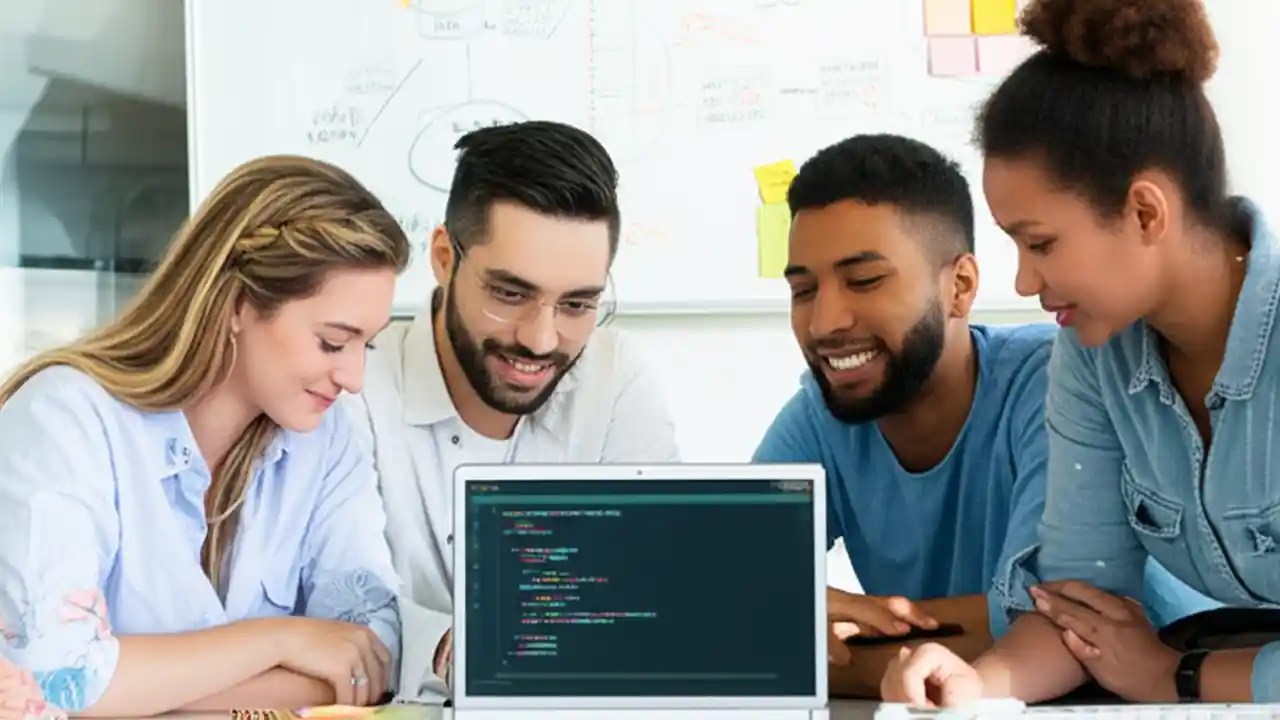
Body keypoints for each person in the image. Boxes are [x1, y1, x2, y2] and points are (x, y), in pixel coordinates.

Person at [882, 0, 1280, 706]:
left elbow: (1149, 666)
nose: (1024, 281)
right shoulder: (1094, 353)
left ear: (1145, 212)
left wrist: (1175, 675)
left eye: (1041, 243)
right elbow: (1077, 605)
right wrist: (976, 686)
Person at [755, 133, 1220, 698]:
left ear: (961, 286)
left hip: (1161, 691)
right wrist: (783, 618)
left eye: (865, 281)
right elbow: (717, 595)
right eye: (803, 290)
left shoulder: (1058, 384)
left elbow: (1054, 621)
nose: (825, 321)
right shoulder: (823, 409)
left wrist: (816, 646)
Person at [0, 155, 411, 716]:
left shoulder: (327, 436)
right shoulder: (64, 418)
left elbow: (371, 651)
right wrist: (281, 640)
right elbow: (55, 677)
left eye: (369, 344)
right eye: (333, 342)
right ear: (237, 304)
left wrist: (140, 690)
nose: (354, 378)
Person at [342, 120, 678, 698]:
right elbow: (338, 613)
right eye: (510, 294)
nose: (542, 339)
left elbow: (654, 589)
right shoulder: (354, 390)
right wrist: (459, 651)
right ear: (445, 258)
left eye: (576, 304)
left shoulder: (615, 378)